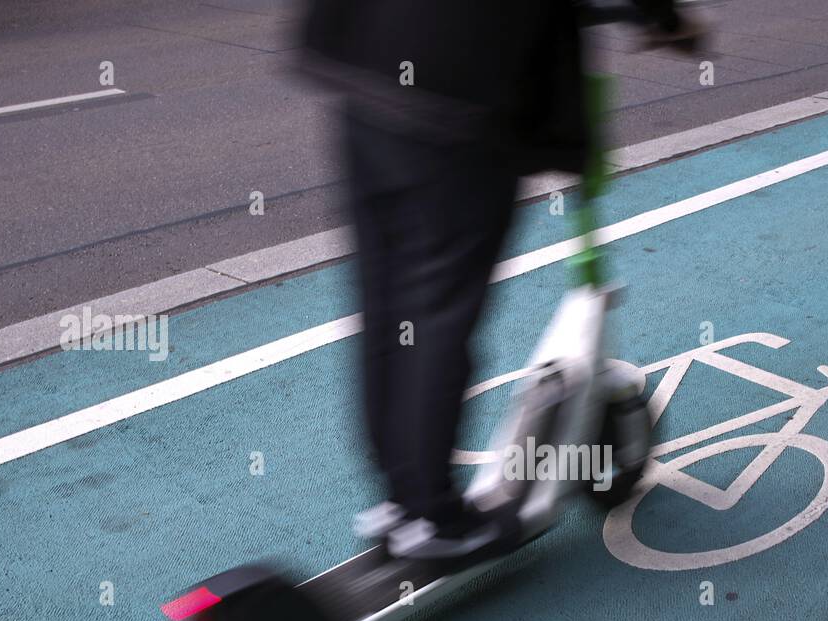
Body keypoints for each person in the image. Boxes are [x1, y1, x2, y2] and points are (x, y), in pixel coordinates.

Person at [300, 0, 701, 560]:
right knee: (439, 307)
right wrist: (664, 19)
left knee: (388, 301)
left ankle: (399, 500)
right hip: (458, 91)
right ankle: (430, 518)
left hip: (365, 64)